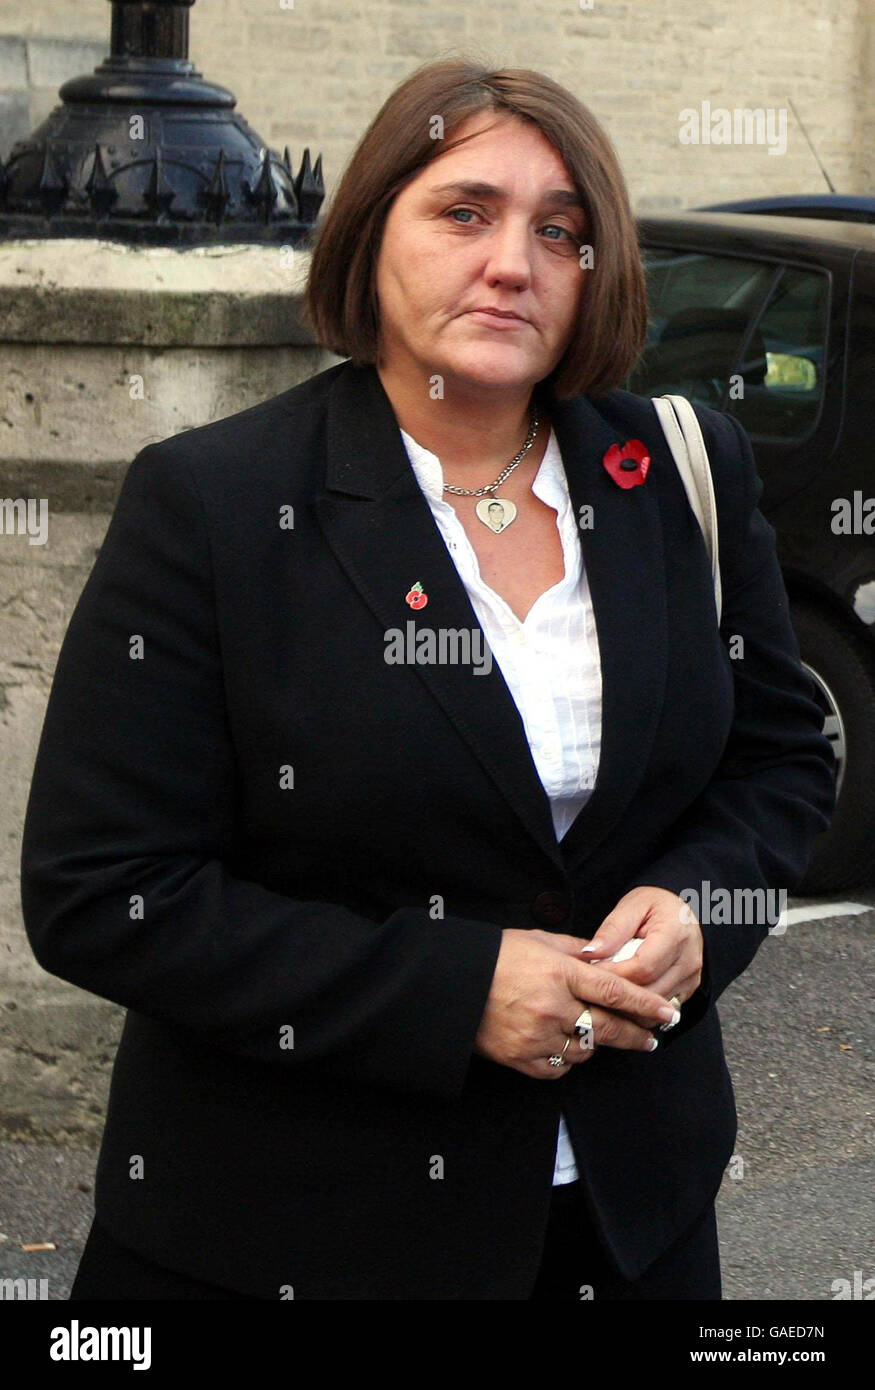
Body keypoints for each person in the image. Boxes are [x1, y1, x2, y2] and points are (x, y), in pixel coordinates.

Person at [20, 58, 836, 1301]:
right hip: (302, 1235)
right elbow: (102, 888)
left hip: (630, 1219)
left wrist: (694, 905)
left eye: (559, 231)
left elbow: (778, 758)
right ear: (368, 231)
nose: (512, 260)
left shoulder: (676, 469)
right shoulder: (218, 502)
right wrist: (451, 991)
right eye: (463, 212)